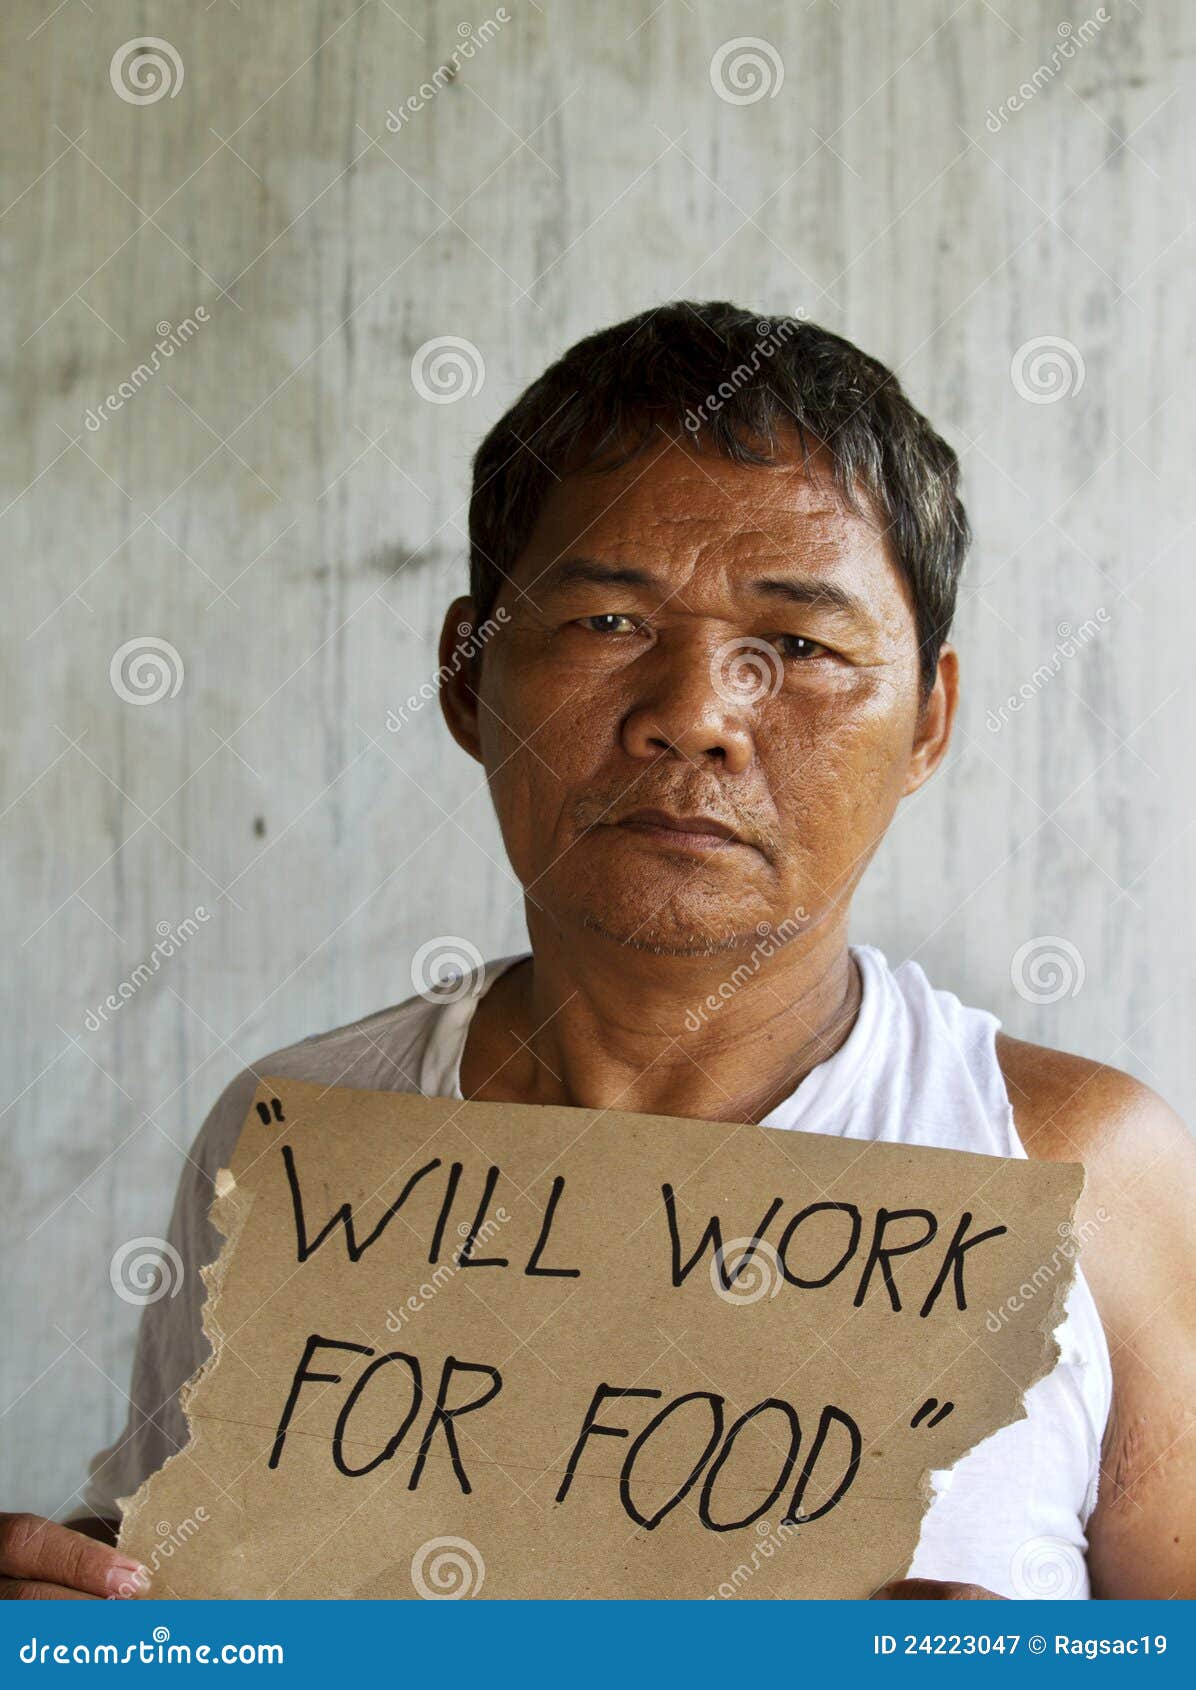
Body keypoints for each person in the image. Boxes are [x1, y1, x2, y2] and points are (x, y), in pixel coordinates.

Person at [4, 303, 1192, 1600]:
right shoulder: (293, 1145)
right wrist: (53, 1613)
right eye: (608, 624)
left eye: (796, 645)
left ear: (928, 721)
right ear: (468, 675)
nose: (693, 716)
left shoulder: (1085, 1171)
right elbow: (161, 1592)